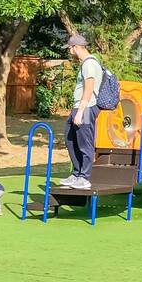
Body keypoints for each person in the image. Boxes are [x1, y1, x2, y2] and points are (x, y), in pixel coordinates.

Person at [58, 33, 103, 191]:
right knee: (70, 138)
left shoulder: (89, 64)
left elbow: (89, 88)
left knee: (84, 143)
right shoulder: (85, 63)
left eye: (69, 48)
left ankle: (84, 177)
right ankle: (76, 174)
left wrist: (80, 111)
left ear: (75, 47)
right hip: (79, 107)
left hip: (86, 107)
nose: (69, 51)